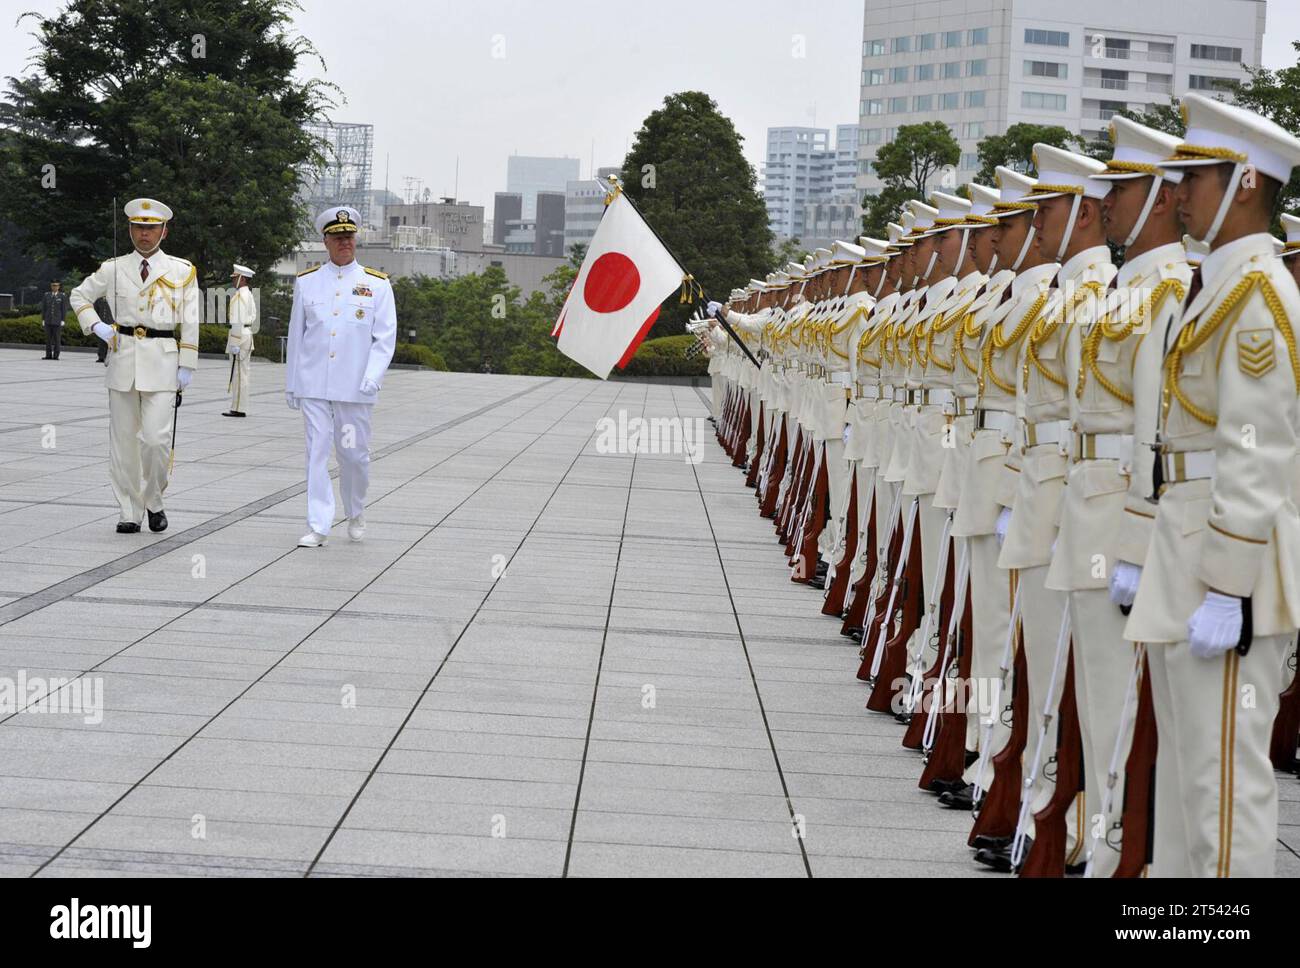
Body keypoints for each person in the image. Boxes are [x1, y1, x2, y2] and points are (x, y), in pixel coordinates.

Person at [1123, 92, 1300, 877]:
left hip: (1228, 574)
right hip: (1186, 556)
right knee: (1189, 784)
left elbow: (1257, 448)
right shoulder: (1216, 288)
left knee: (1224, 788)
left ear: (1246, 183)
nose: (1179, 195)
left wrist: (1229, 586)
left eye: (1195, 178)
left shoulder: (1257, 295)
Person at [69, 198, 199, 534]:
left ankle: (154, 500)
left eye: (151, 228)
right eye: (139, 227)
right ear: (129, 230)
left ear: (164, 231)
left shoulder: (182, 270)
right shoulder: (113, 268)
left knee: (156, 440)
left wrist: (187, 363)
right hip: (123, 359)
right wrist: (95, 325)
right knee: (124, 444)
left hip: (163, 362)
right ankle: (129, 511)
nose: (144, 234)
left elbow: (191, 319)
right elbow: (78, 296)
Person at [286, 206, 397, 548]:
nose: (344, 242)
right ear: (326, 241)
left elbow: (385, 337)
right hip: (314, 383)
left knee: (352, 455)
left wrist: (373, 377)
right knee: (316, 452)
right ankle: (319, 524)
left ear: (356, 240)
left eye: (349, 236)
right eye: (337, 237)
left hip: (354, 386)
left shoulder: (375, 285)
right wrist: (293, 384)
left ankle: (356, 508)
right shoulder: (307, 282)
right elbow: (296, 336)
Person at [224, 264, 257, 418]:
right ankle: (240, 406)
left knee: (238, 374)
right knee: (242, 373)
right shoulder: (249, 294)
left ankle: (238, 408)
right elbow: (254, 316)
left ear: (242, 279)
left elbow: (237, 319)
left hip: (239, 336)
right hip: (247, 333)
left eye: (236, 277)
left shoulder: (239, 296)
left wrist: (235, 343)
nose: (233, 279)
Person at [41, 281, 69, 360]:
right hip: (48, 320)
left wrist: (63, 319)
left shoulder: (62, 296)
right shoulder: (47, 295)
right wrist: (43, 319)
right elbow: (44, 308)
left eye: (56, 286)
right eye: (53, 286)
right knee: (48, 339)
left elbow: (64, 309)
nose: (54, 287)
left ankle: (56, 356)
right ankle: (48, 355)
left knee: (57, 339)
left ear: (59, 287)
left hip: (57, 321)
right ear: (51, 286)